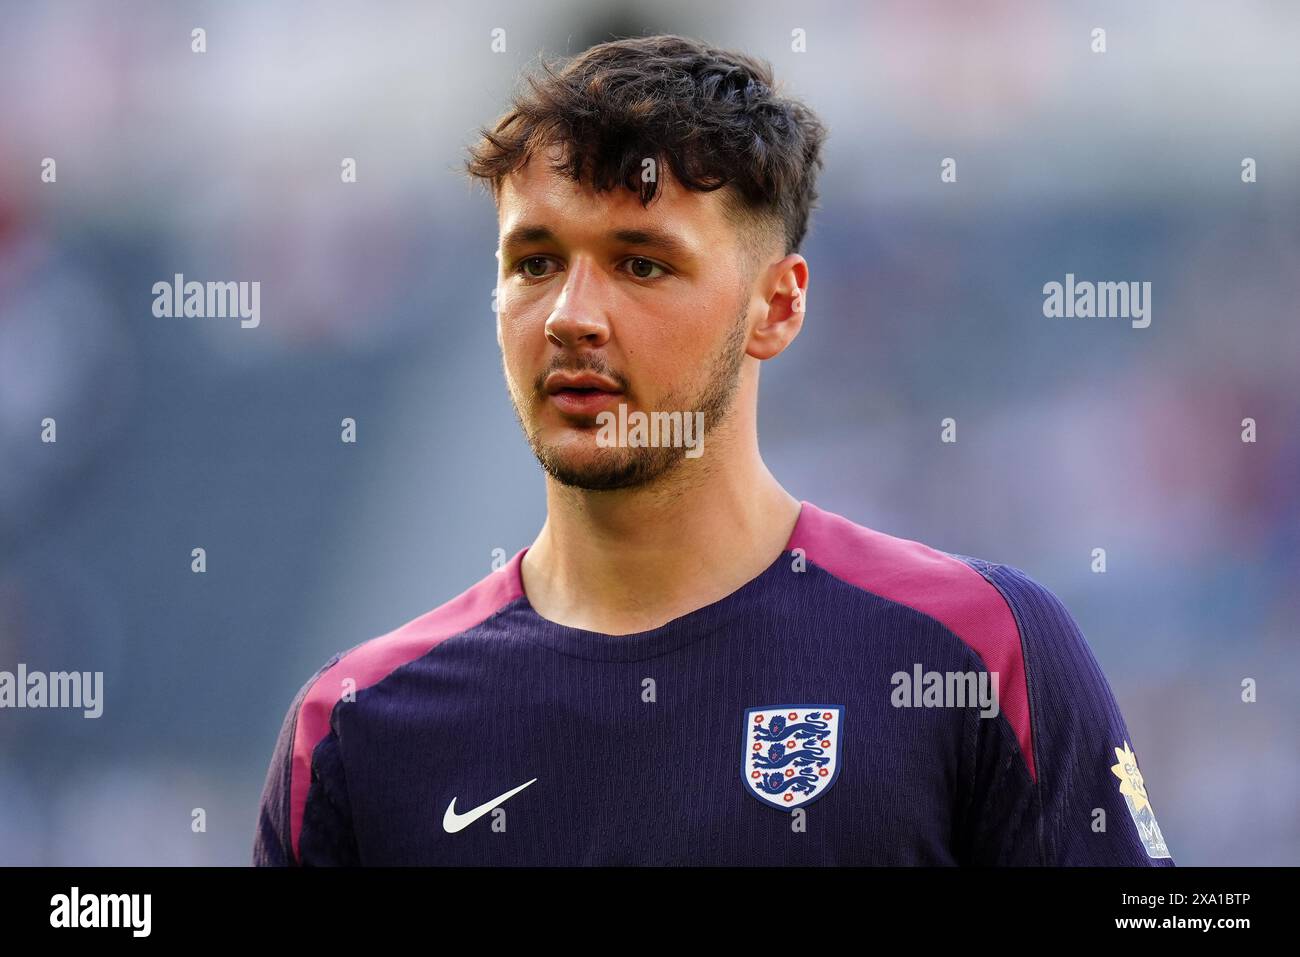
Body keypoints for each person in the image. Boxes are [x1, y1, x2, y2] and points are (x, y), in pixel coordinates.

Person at [253, 34, 1173, 866]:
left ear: (777, 305)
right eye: (534, 262)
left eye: (641, 263)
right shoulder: (357, 728)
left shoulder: (982, 649)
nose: (573, 315)